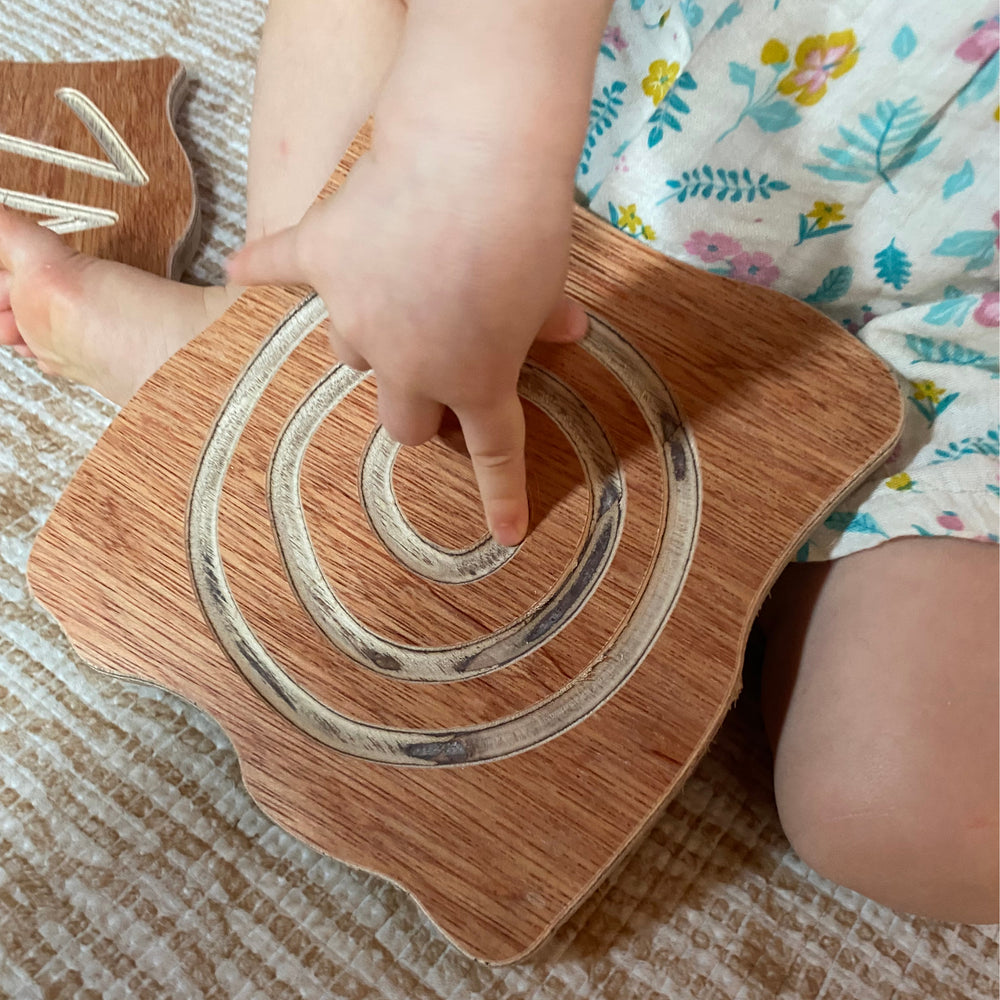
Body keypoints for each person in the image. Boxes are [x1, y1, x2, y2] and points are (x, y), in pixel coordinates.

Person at [0, 0, 996, 925]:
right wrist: (459, 149)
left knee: (908, 810)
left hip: (941, 331)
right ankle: (271, 337)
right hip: (580, 116)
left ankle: (753, 517)